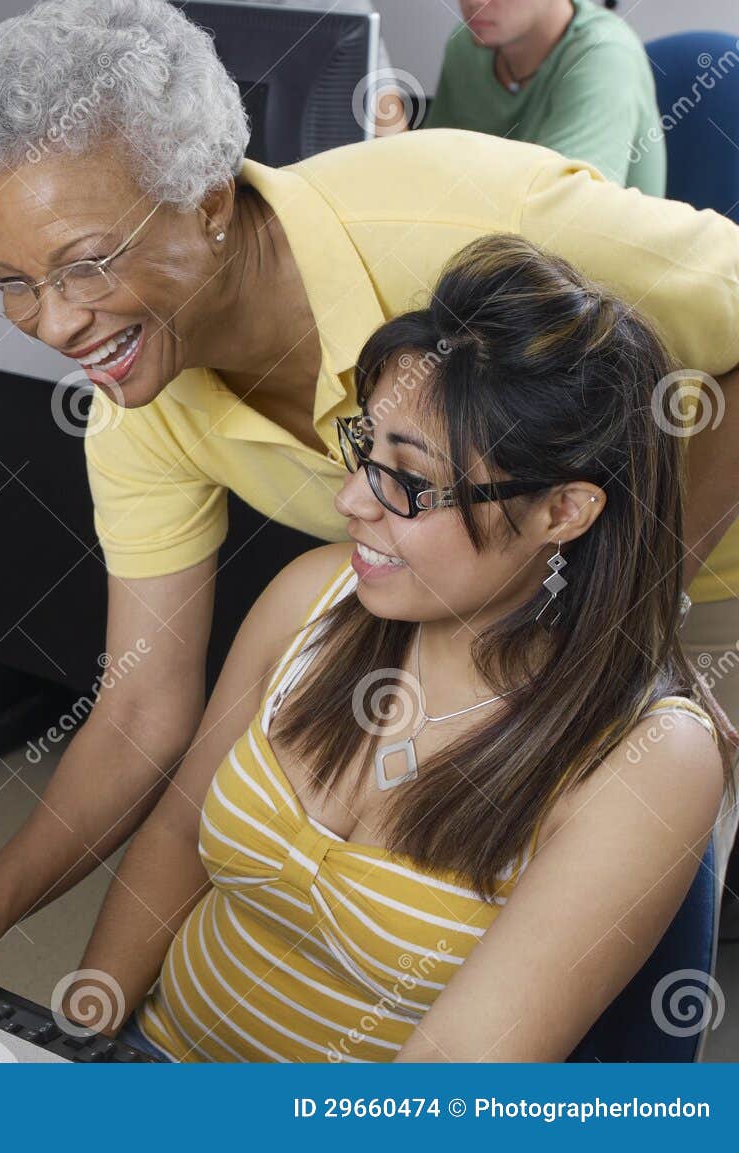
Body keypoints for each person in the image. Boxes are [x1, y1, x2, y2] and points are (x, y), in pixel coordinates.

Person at [0, 0, 739, 995]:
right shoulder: (143, 401)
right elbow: (141, 702)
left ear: (210, 204)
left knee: (590, 914)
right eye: (14, 281)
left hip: (694, 559)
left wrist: (629, 620)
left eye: (85, 264)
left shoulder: (467, 216)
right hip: (478, 592)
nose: (50, 322)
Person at [70, 235, 728, 1061]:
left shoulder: (652, 759)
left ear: (564, 510)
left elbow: (450, 1081)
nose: (351, 500)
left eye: (409, 482)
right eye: (363, 447)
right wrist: (79, 1050)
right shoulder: (312, 595)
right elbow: (175, 837)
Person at [422, 0, 663, 195]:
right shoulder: (466, 44)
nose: (474, 3)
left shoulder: (606, 58)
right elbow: (434, 175)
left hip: (578, 252)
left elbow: (561, 213)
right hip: (491, 246)